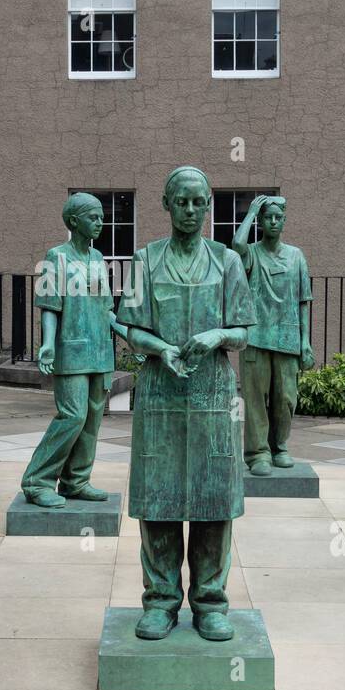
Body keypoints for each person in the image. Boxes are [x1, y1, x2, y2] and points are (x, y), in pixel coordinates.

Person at [118, 166, 256, 641]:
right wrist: (161, 349)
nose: (191, 210)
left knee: (213, 499)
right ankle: (159, 601)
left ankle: (210, 602)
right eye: (182, 201)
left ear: (209, 204)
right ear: (166, 204)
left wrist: (218, 333)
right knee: (158, 501)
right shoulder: (145, 260)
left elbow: (243, 330)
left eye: (199, 201)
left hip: (214, 396)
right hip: (160, 393)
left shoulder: (227, 261)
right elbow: (130, 330)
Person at [20, 193, 127, 509]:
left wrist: (130, 334)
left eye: (101, 217)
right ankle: (36, 481)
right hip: (71, 350)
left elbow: (106, 309)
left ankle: (76, 481)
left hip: (100, 352)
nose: (100, 222)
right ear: (73, 221)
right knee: (72, 416)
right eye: (93, 217)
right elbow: (50, 305)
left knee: (92, 419)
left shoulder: (98, 259)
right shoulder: (56, 256)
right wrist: (48, 343)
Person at [232, 195, 313, 476]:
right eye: (268, 217)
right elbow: (236, 245)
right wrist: (252, 209)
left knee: (286, 398)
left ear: (285, 220)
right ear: (261, 221)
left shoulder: (296, 256)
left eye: (278, 217)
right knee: (255, 399)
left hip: (288, 338)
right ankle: (257, 454)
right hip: (256, 337)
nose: (274, 222)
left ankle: (279, 446)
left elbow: (304, 300)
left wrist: (305, 342)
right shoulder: (252, 253)